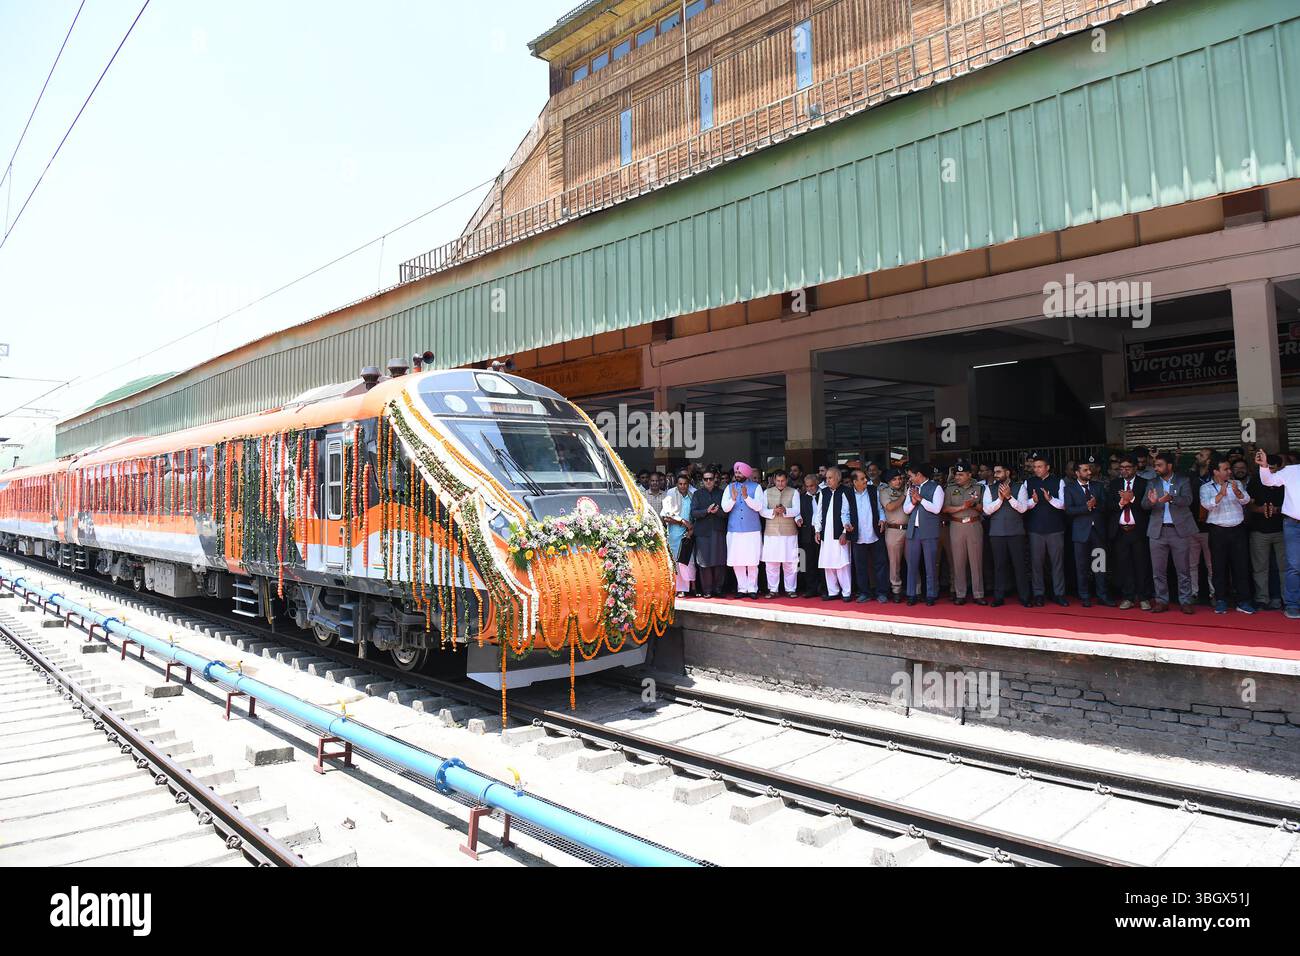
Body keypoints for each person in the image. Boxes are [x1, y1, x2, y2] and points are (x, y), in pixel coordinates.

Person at [1142, 451, 1198, 614]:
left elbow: (1188, 500)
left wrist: (1171, 498)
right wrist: (1151, 503)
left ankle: (1185, 601)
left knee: (1183, 569)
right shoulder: (1152, 483)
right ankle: (1161, 601)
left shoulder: (1183, 480)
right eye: (1155, 465)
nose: (1156, 468)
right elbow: (1144, 504)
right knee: (1158, 570)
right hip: (1157, 531)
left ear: (1170, 466)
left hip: (1178, 531)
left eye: (1159, 465)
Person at [1200, 457, 1254, 615]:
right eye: (1226, 469)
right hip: (1218, 531)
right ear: (1216, 471)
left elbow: (1246, 500)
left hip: (1238, 530)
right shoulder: (1206, 487)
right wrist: (1221, 494)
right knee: (1218, 567)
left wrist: (1237, 491)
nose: (1229, 472)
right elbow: (1207, 505)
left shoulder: (1237, 483)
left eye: (1229, 469)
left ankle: (1244, 601)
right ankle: (1221, 600)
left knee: (1241, 566)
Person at [1255, 448, 1300, 619]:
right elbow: (1268, 481)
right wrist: (1264, 466)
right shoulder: (1291, 471)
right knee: (1295, 566)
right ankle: (1293, 605)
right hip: (1293, 525)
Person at [1064, 457, 1113, 607]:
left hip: (1097, 531)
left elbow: (1106, 507)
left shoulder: (1098, 486)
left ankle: (1102, 595)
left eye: (1089, 469)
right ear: (1077, 473)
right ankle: (1084, 595)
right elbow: (1069, 510)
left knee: (1099, 565)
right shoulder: (1069, 489)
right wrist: (1086, 507)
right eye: (1085, 470)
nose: (1089, 472)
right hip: (1080, 532)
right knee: (1082, 566)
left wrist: (1095, 504)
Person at [983, 461, 1031, 607]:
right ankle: (999, 597)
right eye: (995, 472)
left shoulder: (1019, 487)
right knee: (999, 566)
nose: (995, 475)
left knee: (1019, 566)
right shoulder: (989, 489)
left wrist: (1010, 497)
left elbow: (1023, 509)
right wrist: (1000, 499)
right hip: (997, 533)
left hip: (1016, 532)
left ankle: (1025, 597)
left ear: (1007, 473)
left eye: (999, 472)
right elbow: (986, 510)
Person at [1107, 453, 1151, 610]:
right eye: (1122, 468)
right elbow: (1107, 507)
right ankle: (1128, 597)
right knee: (1124, 566)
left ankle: (1144, 597)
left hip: (1138, 530)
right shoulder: (1114, 484)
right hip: (1120, 531)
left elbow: (1148, 507)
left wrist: (1132, 499)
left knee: (1141, 565)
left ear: (1135, 468)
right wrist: (1121, 502)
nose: (1124, 471)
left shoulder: (1145, 483)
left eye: (1127, 468)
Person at [1024, 451, 1069, 607]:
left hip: (1055, 527)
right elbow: (1023, 506)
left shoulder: (1059, 482)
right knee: (1036, 563)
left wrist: (1050, 499)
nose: (1036, 469)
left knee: (1057, 563)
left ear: (1047, 467)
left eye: (1040, 466)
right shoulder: (1028, 482)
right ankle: (1039, 594)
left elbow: (1064, 505)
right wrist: (1033, 501)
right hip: (1035, 528)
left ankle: (1059, 594)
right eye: (1035, 467)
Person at [943, 460, 985, 606]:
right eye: (956, 474)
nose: (958, 477)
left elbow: (984, 508)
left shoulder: (979, 487)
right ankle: (960, 593)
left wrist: (973, 504)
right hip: (956, 525)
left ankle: (978, 594)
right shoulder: (950, 489)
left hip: (974, 524)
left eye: (961, 474)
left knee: (976, 561)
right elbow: (945, 509)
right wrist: (962, 507)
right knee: (958, 561)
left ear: (969, 474)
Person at [1246, 453, 1285, 611]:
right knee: (1260, 567)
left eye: (1274, 469)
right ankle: (1262, 598)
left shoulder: (1284, 480)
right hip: (1259, 529)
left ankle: (1285, 598)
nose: (1271, 472)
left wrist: (1278, 510)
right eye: (1268, 468)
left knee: (1284, 567)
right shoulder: (1255, 481)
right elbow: (1248, 504)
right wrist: (1259, 509)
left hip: (1282, 529)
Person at [902, 462, 944, 606]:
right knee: (911, 564)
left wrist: (921, 499)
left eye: (911, 476)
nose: (910, 479)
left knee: (930, 564)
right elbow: (906, 510)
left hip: (929, 531)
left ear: (919, 475)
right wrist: (913, 502)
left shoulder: (936, 488)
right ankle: (911, 594)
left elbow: (937, 509)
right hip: (914, 530)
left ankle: (931, 594)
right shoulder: (911, 489)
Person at [813, 466, 856, 601]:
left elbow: (847, 513)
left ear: (838, 478)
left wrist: (844, 532)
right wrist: (817, 530)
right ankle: (833, 591)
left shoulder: (846, 492)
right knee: (828, 562)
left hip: (840, 534)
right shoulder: (823, 492)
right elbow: (818, 513)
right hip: (826, 533)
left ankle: (846, 592)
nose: (827, 480)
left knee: (842, 563)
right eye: (826, 478)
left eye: (830, 478)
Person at [721, 461, 763, 598]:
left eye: (739, 473)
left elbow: (759, 507)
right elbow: (724, 508)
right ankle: (742, 588)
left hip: (752, 530)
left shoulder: (756, 487)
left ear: (746, 474)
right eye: (736, 472)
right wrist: (733, 499)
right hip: (734, 530)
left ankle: (752, 589)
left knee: (752, 561)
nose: (737, 475)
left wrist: (746, 497)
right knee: (737, 561)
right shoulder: (729, 487)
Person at [849, 468, 888, 604]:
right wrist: (846, 523)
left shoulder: (873, 491)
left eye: (865, 478)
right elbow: (844, 513)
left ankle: (882, 593)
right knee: (861, 567)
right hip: (858, 535)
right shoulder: (848, 494)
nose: (866, 480)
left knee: (880, 564)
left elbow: (879, 509)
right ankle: (864, 593)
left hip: (875, 534)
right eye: (862, 478)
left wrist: (882, 519)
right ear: (855, 482)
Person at [759, 469, 800, 598]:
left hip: (789, 532)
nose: (780, 483)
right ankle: (773, 589)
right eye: (778, 481)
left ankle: (791, 589)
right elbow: (762, 511)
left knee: (790, 562)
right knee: (771, 563)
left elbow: (797, 509)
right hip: (771, 532)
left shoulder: (794, 492)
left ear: (787, 480)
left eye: (783, 481)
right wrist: (774, 511)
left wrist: (785, 510)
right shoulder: (766, 493)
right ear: (774, 480)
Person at [689, 470, 727, 598]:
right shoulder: (697, 494)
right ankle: (707, 590)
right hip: (703, 532)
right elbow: (693, 513)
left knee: (719, 561)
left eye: (711, 479)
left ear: (715, 479)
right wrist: (706, 511)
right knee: (704, 563)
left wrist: (717, 512)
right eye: (706, 479)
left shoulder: (721, 493)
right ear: (702, 481)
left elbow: (727, 513)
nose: (709, 481)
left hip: (718, 530)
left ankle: (718, 589)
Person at [661, 472, 695, 597]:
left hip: (688, 534)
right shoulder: (671, 494)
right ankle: (675, 588)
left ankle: (684, 589)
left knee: (685, 562)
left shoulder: (692, 495)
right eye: (680, 484)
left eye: (685, 484)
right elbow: (666, 517)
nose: (682, 486)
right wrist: (683, 522)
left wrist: (690, 528)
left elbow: (694, 516)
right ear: (676, 484)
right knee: (674, 562)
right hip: (674, 534)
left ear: (688, 485)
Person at [878, 468, 908, 603]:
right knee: (894, 563)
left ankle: (915, 589)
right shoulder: (884, 492)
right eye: (894, 479)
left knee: (913, 561)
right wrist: (903, 496)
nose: (898, 481)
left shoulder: (907, 489)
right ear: (889, 481)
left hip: (910, 529)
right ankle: (896, 589)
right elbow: (889, 507)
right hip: (893, 530)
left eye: (900, 478)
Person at [796, 473, 822, 597]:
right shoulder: (802, 498)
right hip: (807, 532)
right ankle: (810, 588)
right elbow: (797, 513)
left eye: (812, 486)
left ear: (817, 484)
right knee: (807, 561)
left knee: (822, 560)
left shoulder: (824, 494)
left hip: (821, 532)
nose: (810, 488)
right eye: (807, 486)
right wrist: (798, 518)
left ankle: (824, 588)